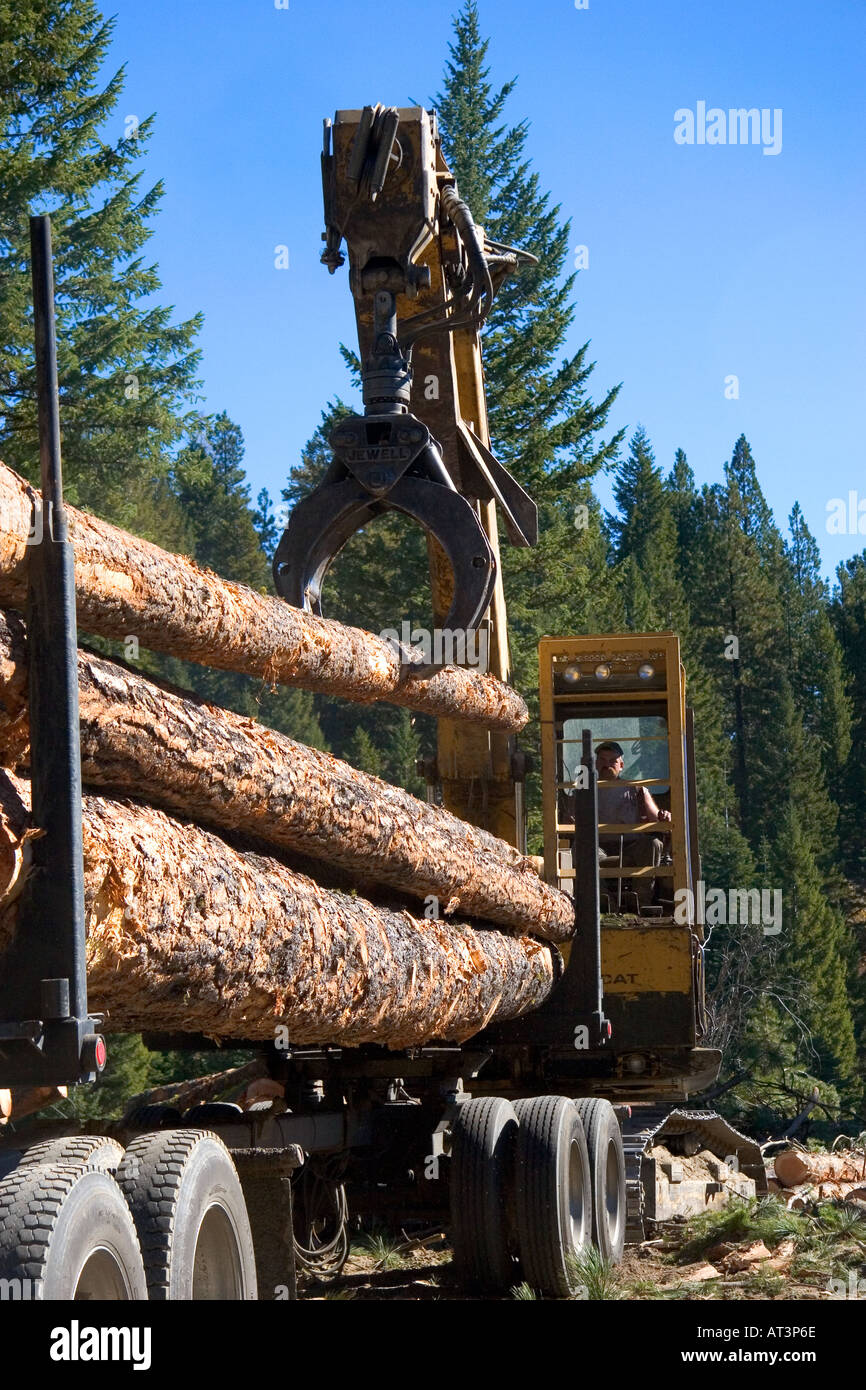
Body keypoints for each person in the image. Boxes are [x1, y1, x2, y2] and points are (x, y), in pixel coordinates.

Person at [595, 741, 670, 907]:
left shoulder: (636, 789)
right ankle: (603, 902)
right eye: (602, 760)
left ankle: (639, 903)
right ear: (595, 763)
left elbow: (655, 818)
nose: (606, 765)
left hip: (631, 845)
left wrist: (664, 817)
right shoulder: (586, 791)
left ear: (621, 765)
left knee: (653, 844)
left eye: (612, 761)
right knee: (580, 848)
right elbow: (573, 820)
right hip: (599, 847)